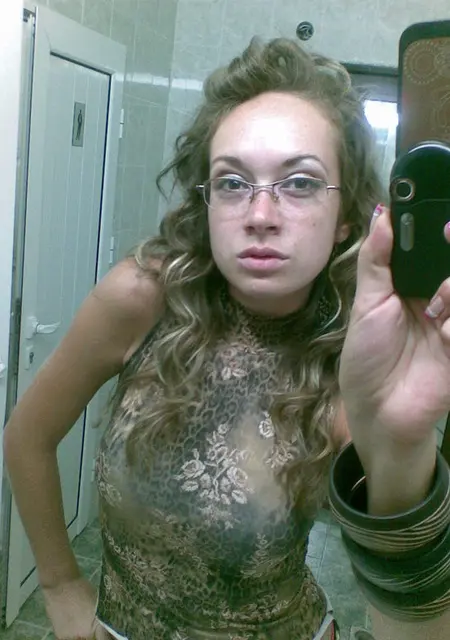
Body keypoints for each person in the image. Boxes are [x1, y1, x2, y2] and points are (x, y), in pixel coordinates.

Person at [4, 37, 450, 640]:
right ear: (207, 201)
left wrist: (401, 450)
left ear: (346, 216)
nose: (260, 214)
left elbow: (415, 628)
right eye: (233, 182)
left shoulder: (357, 359)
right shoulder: (144, 298)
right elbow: (27, 436)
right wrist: (59, 584)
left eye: (300, 183)